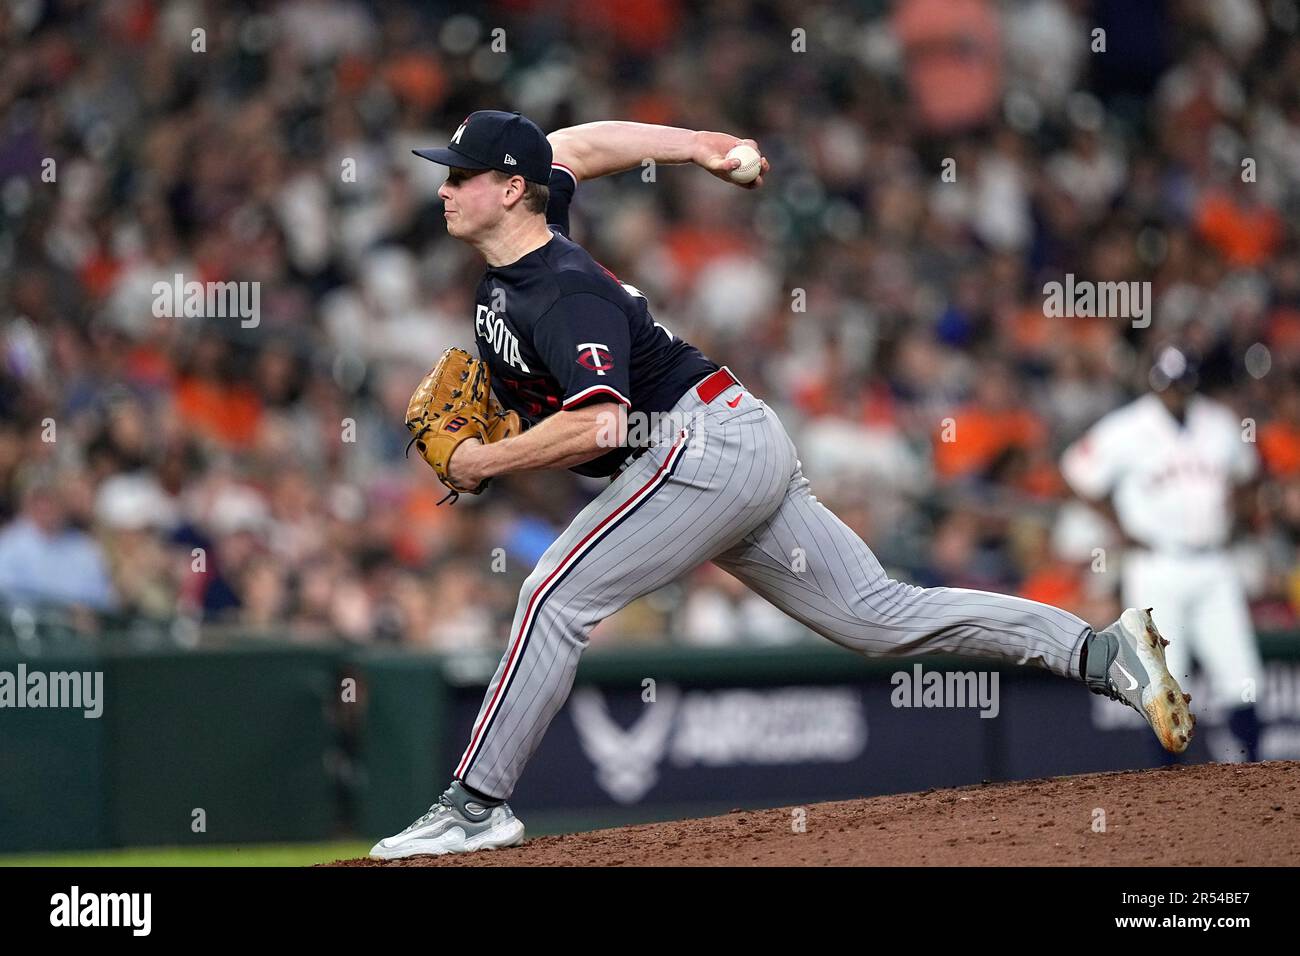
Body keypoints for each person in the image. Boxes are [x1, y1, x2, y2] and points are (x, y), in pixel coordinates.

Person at [369, 111, 1194, 859]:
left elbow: (600, 426)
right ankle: (1095, 651)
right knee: (878, 617)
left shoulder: (560, 291)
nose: (442, 189)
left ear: (513, 191)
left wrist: (480, 461)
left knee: (550, 594)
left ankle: (476, 805)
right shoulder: (531, 243)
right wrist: (696, 146)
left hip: (697, 448)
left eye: (459, 176)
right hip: (733, 444)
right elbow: (577, 146)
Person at [1060, 345, 1263, 764]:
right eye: (1167, 385)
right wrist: (1118, 526)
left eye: (1181, 385)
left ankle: (1252, 777)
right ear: (1154, 383)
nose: (1174, 393)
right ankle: (1166, 791)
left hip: (1214, 561)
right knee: (1162, 680)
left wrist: (1238, 511)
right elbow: (1076, 470)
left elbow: (1248, 471)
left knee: (1243, 675)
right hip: (1157, 564)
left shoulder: (1219, 423)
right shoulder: (1127, 427)